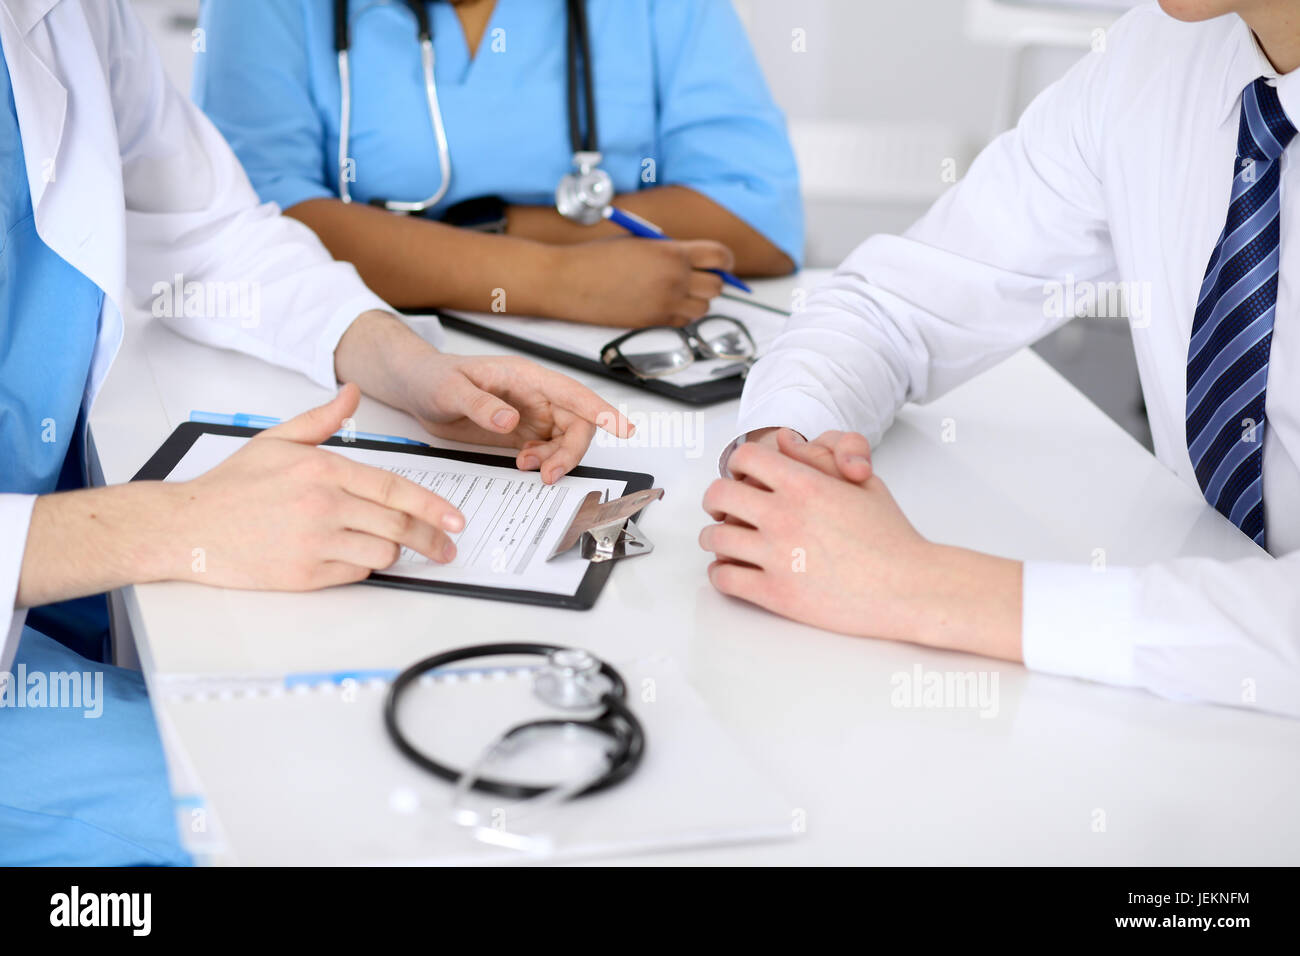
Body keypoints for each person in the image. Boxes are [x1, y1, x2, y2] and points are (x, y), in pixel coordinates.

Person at [0, 0, 630, 864]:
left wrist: (406, 366)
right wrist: (179, 525)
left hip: (49, 599)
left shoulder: (66, 12)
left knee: (376, 733)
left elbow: (211, 233)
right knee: (297, 804)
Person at [700, 0, 1300, 719]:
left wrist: (920, 586)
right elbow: (893, 304)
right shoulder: (1160, 55)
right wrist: (787, 457)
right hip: (1197, 722)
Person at [191, 0, 803, 328]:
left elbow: (754, 219)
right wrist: (559, 281)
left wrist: (493, 230)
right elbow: (250, 225)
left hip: (623, 365)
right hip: (347, 355)